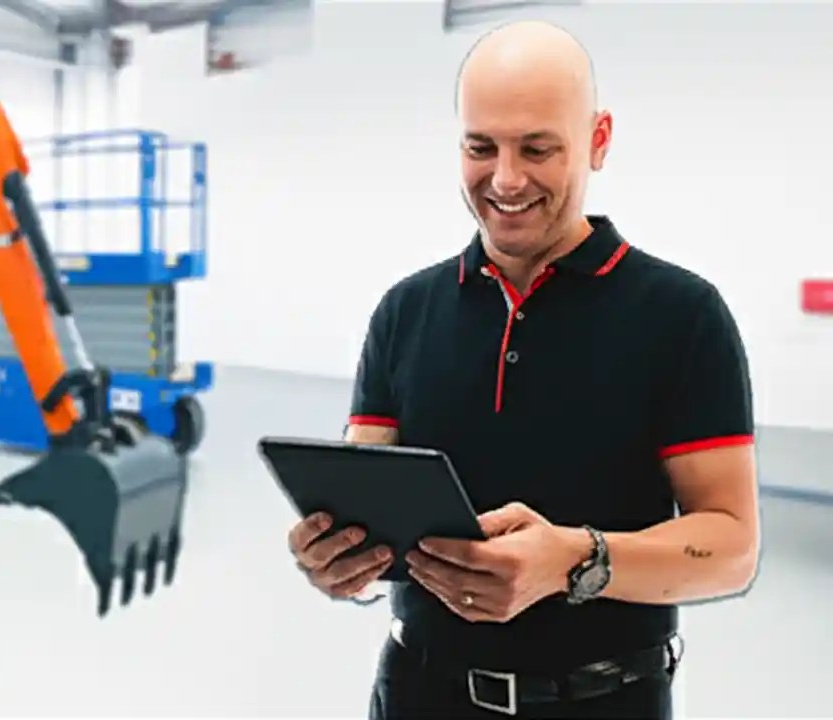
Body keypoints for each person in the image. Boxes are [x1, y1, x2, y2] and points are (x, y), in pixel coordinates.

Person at [286, 19, 760, 719]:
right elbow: (367, 497)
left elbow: (730, 546)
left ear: (598, 141)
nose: (506, 180)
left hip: (603, 700)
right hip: (416, 694)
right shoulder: (404, 311)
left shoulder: (682, 314)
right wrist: (337, 558)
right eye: (482, 148)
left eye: (538, 149)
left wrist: (574, 560)